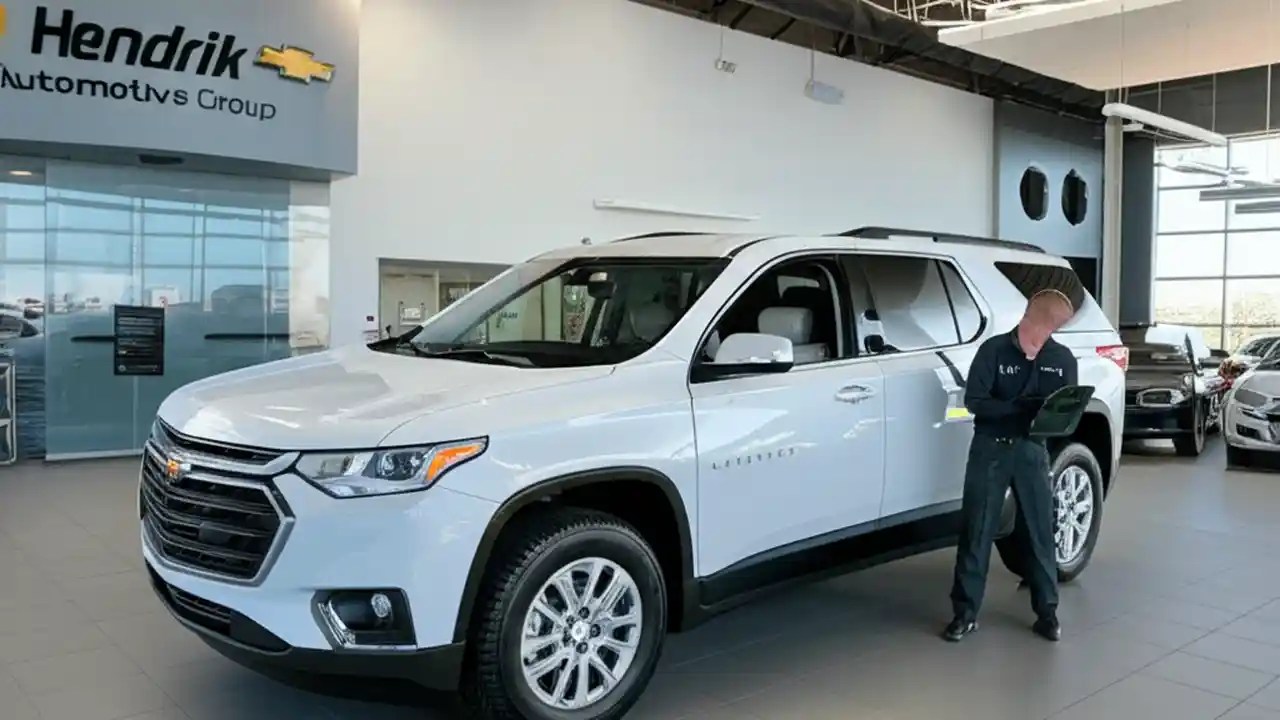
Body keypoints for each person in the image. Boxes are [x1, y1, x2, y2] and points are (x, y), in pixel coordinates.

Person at [943, 289, 1078, 643]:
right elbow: (974, 402)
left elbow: (1066, 410)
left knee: (1040, 531)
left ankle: (1047, 612)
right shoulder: (994, 351)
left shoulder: (1062, 359)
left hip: (1033, 451)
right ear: (1033, 317)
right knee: (978, 528)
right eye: (1051, 323)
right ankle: (965, 613)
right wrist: (1020, 409)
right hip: (991, 448)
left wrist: (1056, 418)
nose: (1053, 331)